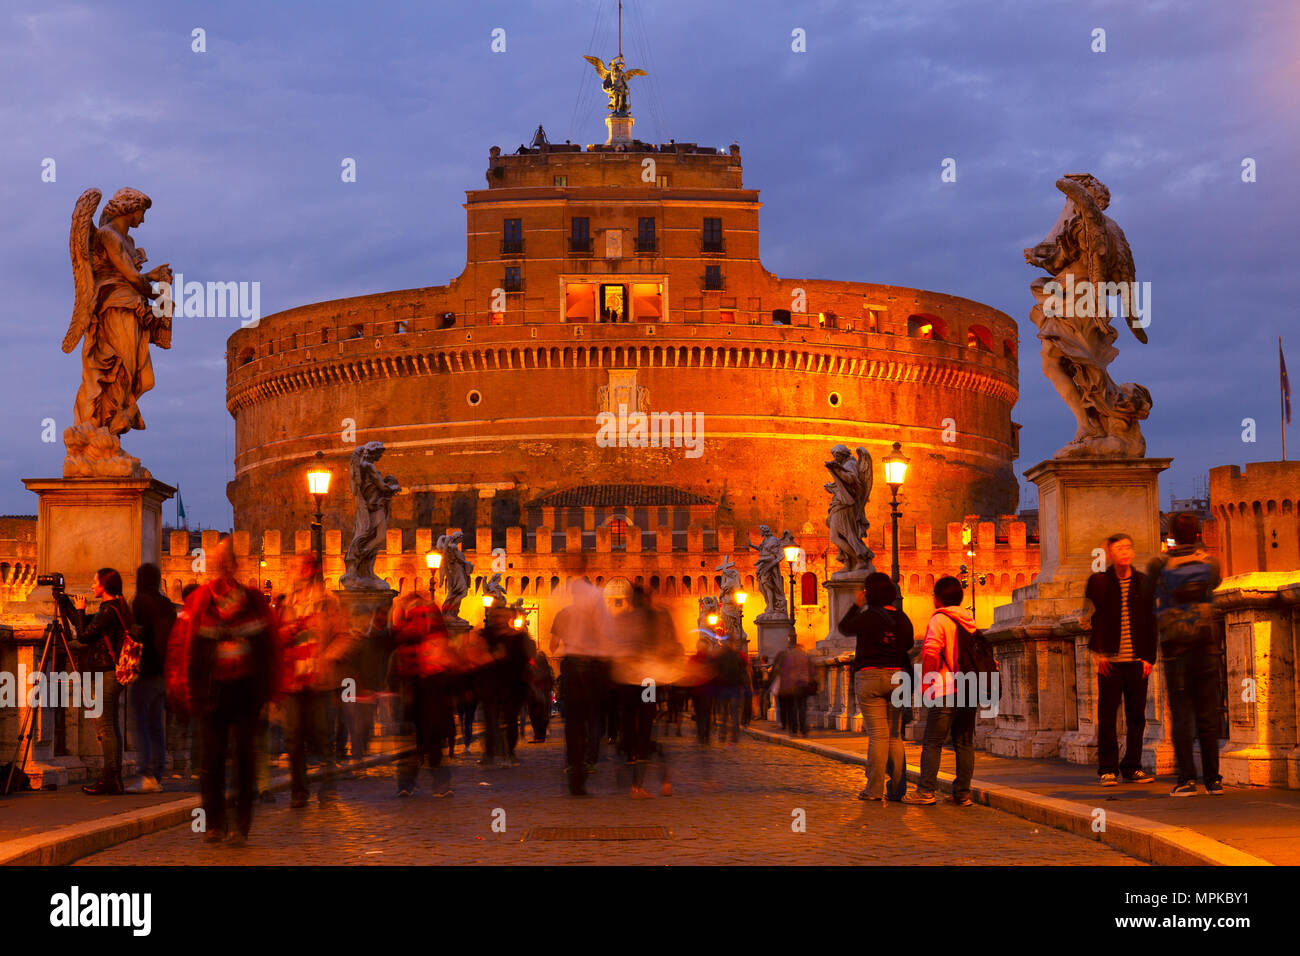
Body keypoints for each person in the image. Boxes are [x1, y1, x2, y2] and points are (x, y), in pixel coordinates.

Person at [171, 537, 279, 845]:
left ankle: (240, 824)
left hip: (246, 691)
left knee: (244, 759)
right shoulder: (202, 601)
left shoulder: (253, 601)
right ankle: (214, 823)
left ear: (234, 564)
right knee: (212, 759)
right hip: (212, 692)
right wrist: (184, 687)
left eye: (226, 560)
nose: (222, 565)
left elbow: (269, 647)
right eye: (218, 561)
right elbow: (185, 647)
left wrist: (271, 691)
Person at [1148, 513, 1223, 797]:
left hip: (1175, 646)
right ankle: (1213, 780)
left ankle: (1186, 780)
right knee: (1208, 714)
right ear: (1199, 534)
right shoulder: (1209, 563)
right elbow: (1215, 585)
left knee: (1181, 715)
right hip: (1207, 644)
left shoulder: (1160, 564)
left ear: (1172, 536)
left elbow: (1147, 595)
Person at [277, 554, 353, 808]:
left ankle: (327, 790)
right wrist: (284, 633)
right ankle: (299, 791)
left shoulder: (328, 602)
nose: (290, 572)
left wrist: (327, 658)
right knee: (293, 738)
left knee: (323, 737)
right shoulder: (287, 604)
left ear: (309, 571)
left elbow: (345, 636)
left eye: (294, 567)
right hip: (294, 681)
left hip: (319, 680)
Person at [1085, 533, 1156, 787]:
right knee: (1107, 716)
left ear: (1133, 553)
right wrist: (1099, 653)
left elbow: (1151, 621)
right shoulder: (1099, 582)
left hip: (1137, 661)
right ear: (1110, 553)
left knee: (1137, 716)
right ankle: (1107, 769)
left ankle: (1132, 766)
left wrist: (1149, 658)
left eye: (1128, 547)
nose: (1125, 552)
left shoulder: (1144, 583)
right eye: (1119, 549)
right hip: (1110, 662)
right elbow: (1095, 619)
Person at [840, 571, 914, 803]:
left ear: (868, 593)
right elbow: (909, 644)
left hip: (869, 676)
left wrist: (856, 605)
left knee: (878, 736)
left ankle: (873, 790)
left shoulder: (867, 616)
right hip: (897, 677)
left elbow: (844, 627)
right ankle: (897, 790)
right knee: (894, 736)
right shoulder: (902, 618)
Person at [906, 576, 978, 806]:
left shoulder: (939, 619)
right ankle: (963, 793)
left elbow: (930, 653)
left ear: (937, 599)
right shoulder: (970, 619)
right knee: (964, 742)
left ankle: (926, 791)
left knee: (933, 742)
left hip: (946, 688)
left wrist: (925, 683)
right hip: (970, 688)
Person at [390, 590, 455, 796]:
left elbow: (394, 645)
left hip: (414, 682)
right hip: (430, 681)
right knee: (431, 735)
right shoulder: (432, 620)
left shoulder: (403, 620)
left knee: (412, 736)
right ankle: (438, 783)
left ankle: (407, 783)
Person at [73, 568, 132, 795]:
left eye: (94, 581)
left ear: (104, 586)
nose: (91, 585)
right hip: (114, 672)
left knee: (106, 726)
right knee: (112, 726)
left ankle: (110, 779)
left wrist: (80, 611)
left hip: (109, 671)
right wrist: (70, 607)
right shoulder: (114, 608)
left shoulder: (109, 611)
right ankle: (113, 779)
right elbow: (87, 627)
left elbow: (83, 635)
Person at [554, 580, 613, 795]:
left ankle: (574, 767)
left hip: (572, 667)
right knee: (594, 717)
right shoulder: (598, 613)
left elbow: (553, 645)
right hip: (593, 668)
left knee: (573, 720)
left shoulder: (563, 614)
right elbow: (608, 640)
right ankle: (590, 760)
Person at [126, 563, 176, 793]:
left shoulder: (140, 602)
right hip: (164, 671)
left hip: (146, 669)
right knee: (157, 724)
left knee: (141, 724)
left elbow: (138, 633)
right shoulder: (167, 604)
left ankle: (146, 774)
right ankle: (156, 775)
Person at [771, 630, 814, 736]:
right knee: (803, 707)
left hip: (792, 685)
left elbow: (783, 671)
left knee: (793, 708)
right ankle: (803, 729)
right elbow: (812, 671)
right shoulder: (806, 656)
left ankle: (794, 729)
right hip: (803, 684)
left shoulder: (788, 656)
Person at [527, 649, 554, 742]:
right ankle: (540, 735)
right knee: (542, 715)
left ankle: (538, 735)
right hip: (543, 693)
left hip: (535, 693)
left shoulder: (534, 666)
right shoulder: (547, 668)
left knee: (535, 715)